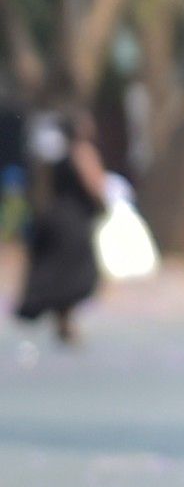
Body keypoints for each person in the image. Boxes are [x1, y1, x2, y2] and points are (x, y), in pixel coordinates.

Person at [13, 105, 107, 343]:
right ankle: (65, 321)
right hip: (73, 221)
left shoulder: (53, 155)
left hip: (53, 218)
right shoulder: (83, 152)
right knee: (80, 273)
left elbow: (40, 188)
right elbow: (96, 186)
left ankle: (63, 321)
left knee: (60, 272)